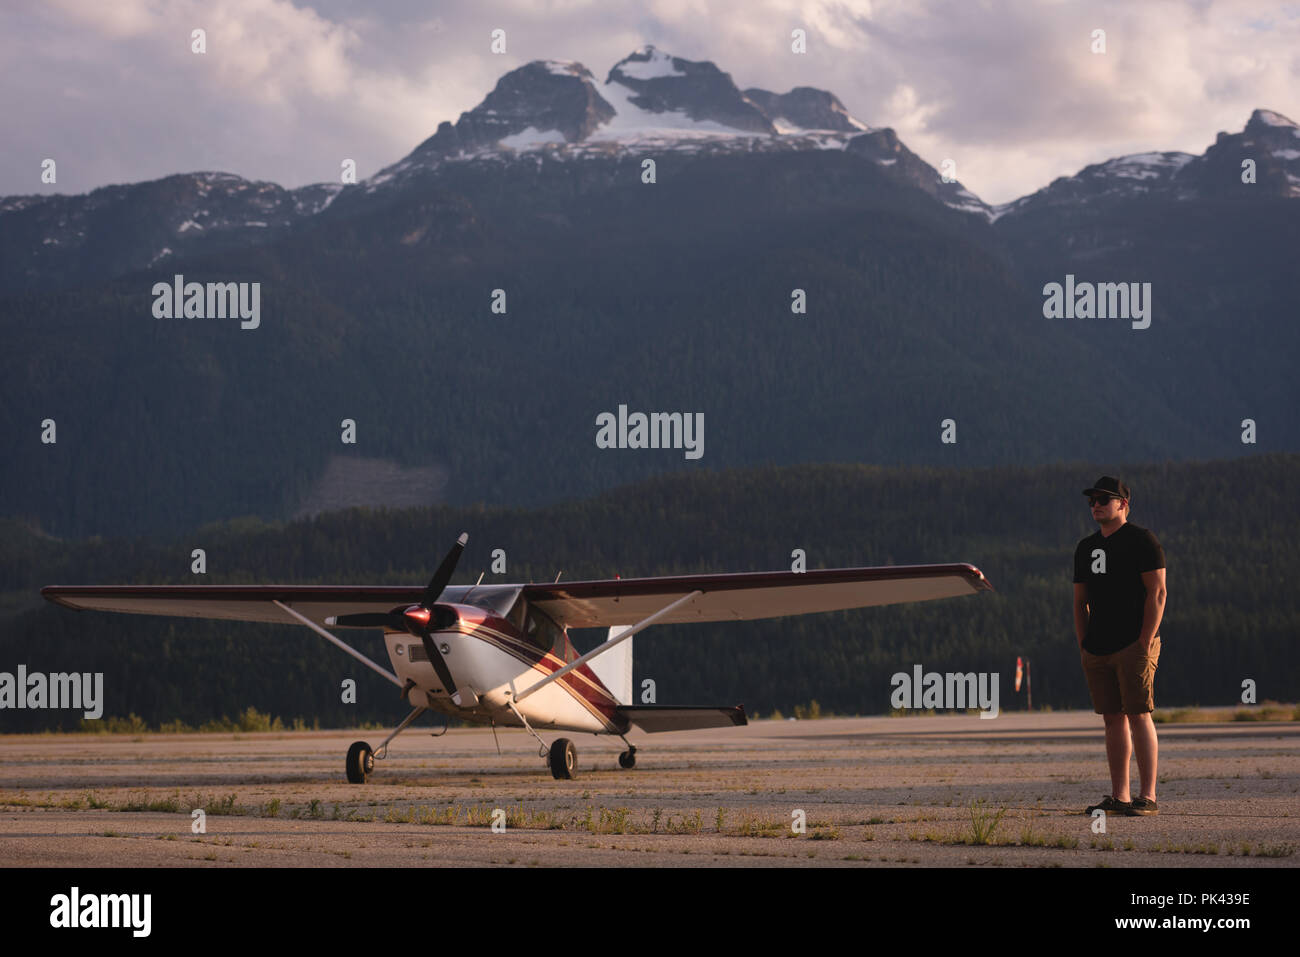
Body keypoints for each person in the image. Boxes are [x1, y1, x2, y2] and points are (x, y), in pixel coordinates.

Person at [1072, 476, 1167, 817]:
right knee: (1112, 719)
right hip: (1098, 647)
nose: (1096, 504)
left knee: (1139, 715)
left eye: (1104, 499)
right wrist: (1084, 644)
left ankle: (1148, 796)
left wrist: (1144, 640)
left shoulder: (1143, 540)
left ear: (1123, 504)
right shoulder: (1085, 547)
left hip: (1132, 644)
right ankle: (1120, 796)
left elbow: (1158, 592)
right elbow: (1079, 601)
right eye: (1092, 500)